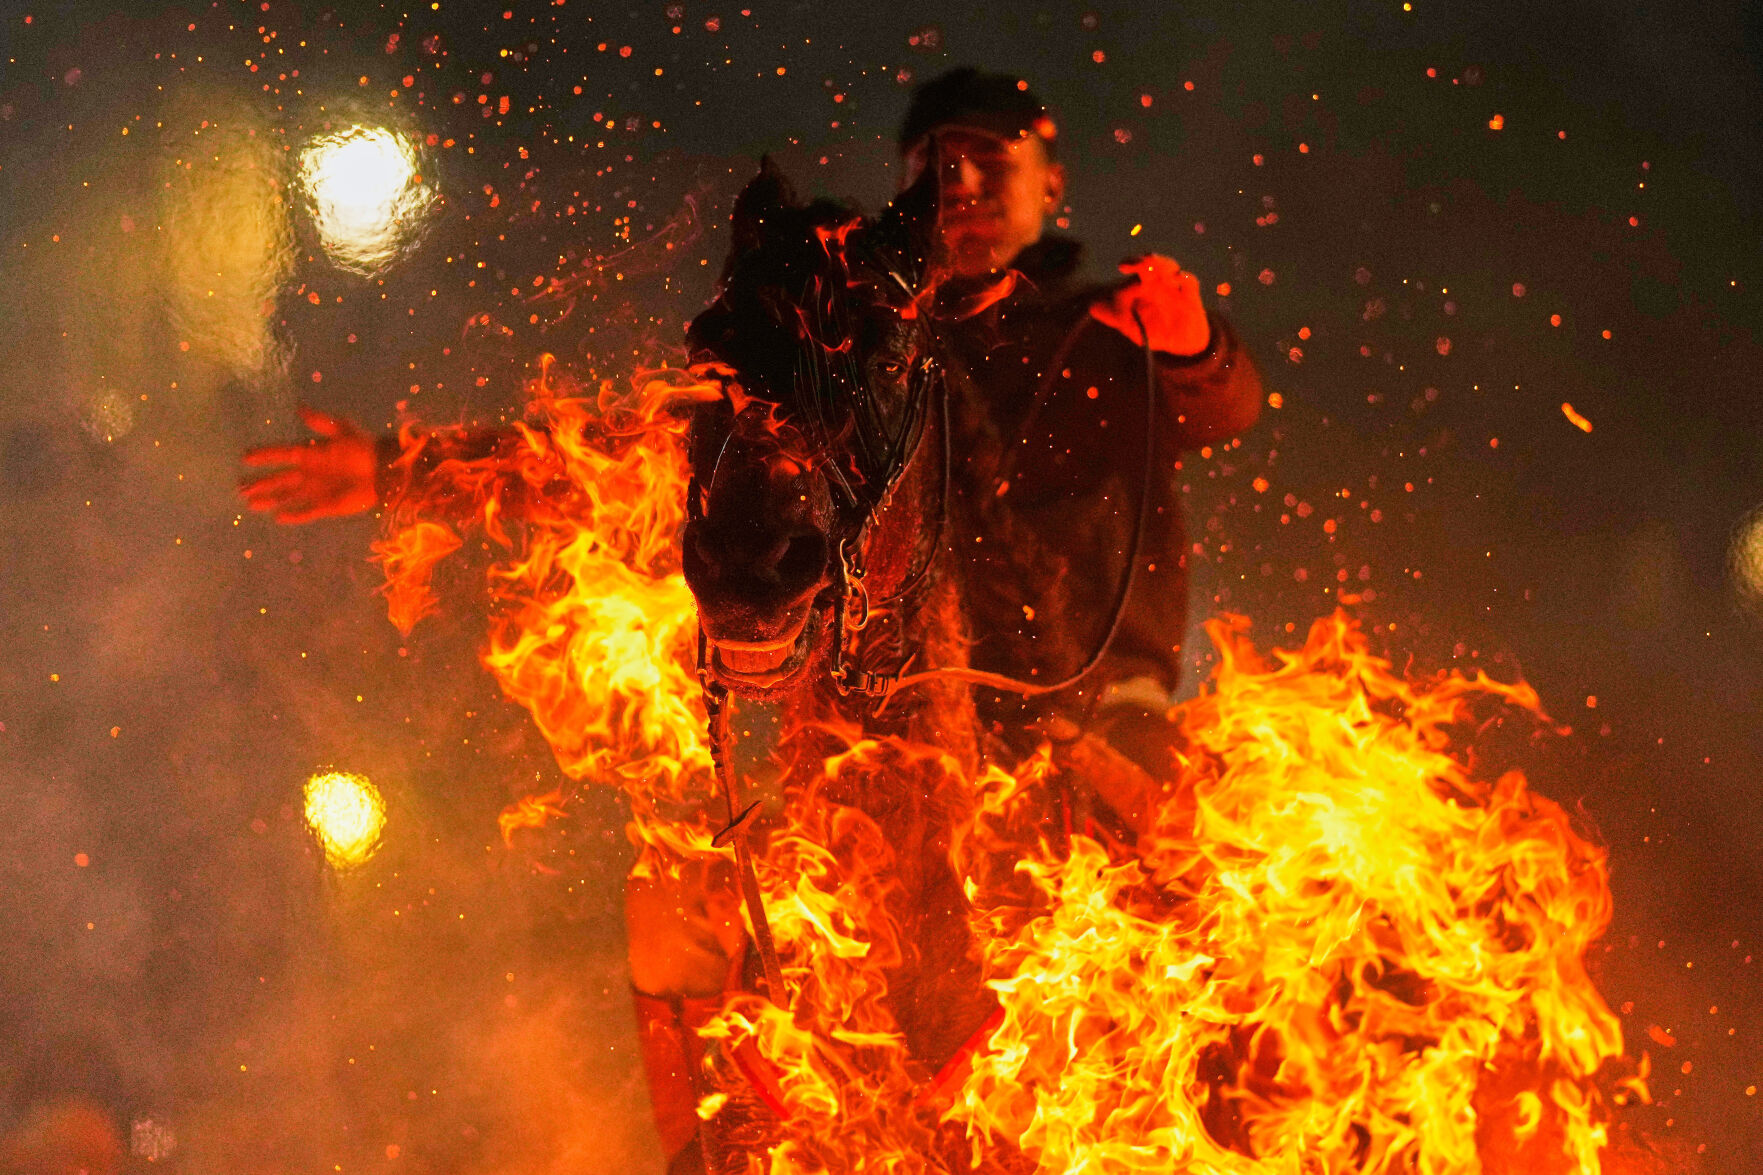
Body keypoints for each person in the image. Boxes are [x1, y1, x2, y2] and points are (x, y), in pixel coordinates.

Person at [241, 67, 1263, 1173]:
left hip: (1089, 712)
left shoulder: (1105, 330)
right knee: (680, 918)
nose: (957, 181)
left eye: (988, 160)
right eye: (934, 162)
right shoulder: (845, 341)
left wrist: (1192, 340)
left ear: (1046, 185)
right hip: (878, 741)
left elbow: (1219, 405)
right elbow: (633, 457)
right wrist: (397, 466)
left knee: (1216, 925)